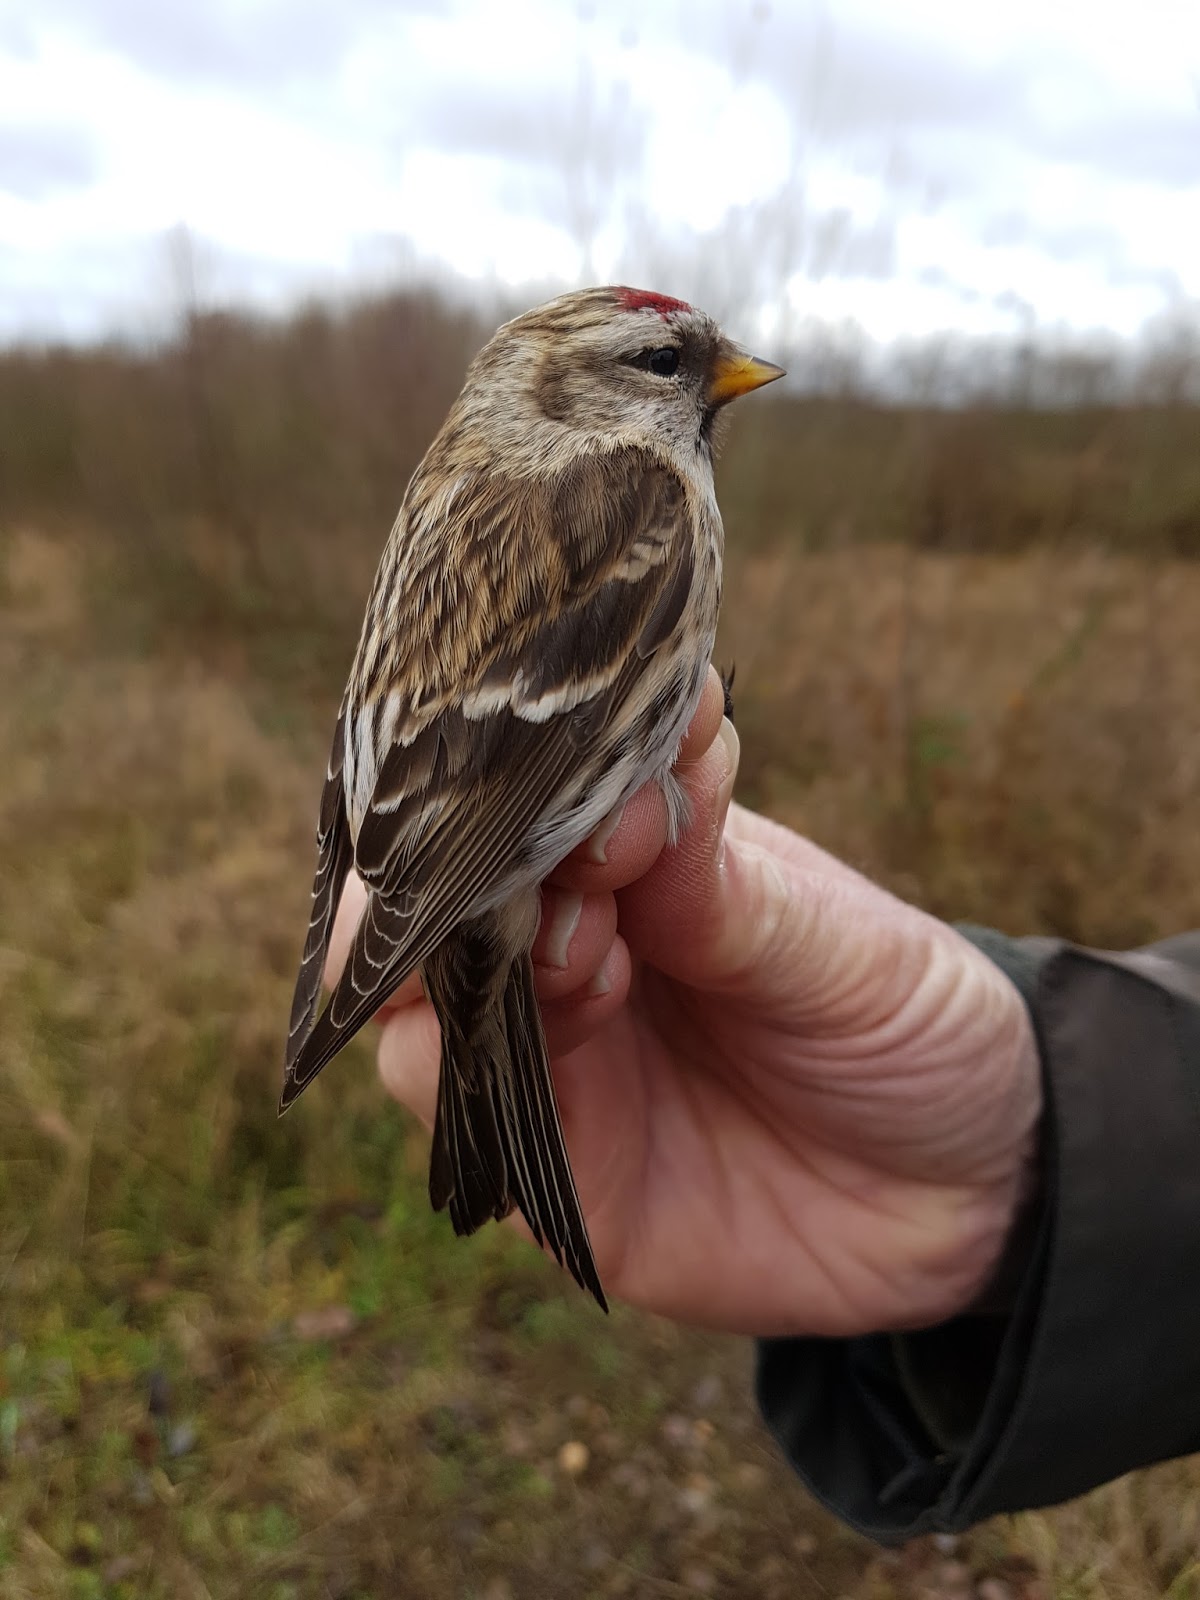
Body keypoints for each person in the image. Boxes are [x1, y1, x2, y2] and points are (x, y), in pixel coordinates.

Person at [328, 666, 1200, 1542]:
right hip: (486, 849)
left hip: (442, 824)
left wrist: (1041, 1153)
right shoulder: (633, 524)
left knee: (622, 865)